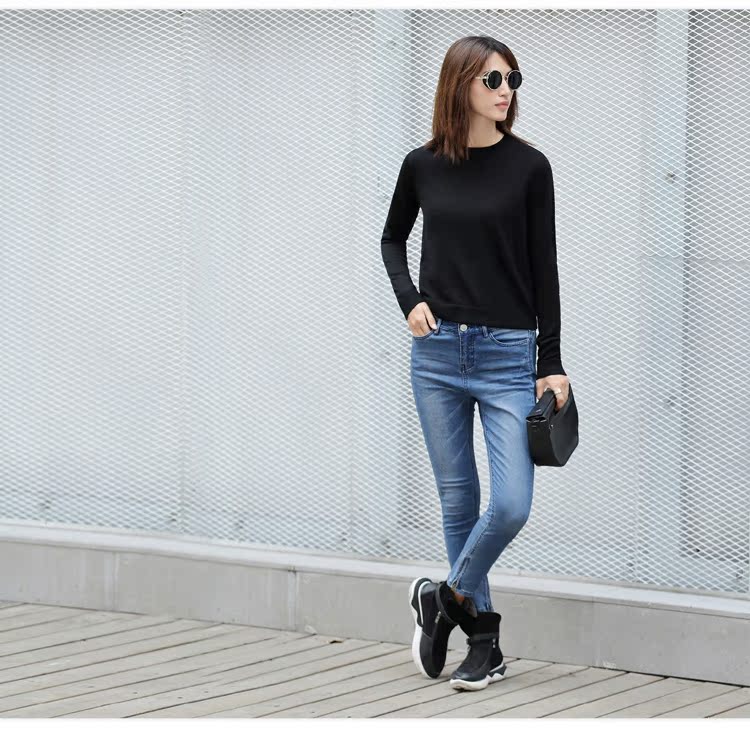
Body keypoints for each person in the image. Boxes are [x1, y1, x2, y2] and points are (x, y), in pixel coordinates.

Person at [380, 35, 571, 692]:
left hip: (507, 355)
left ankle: (443, 599)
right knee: (458, 500)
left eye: (512, 79)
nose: (505, 91)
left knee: (510, 504)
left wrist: (551, 361)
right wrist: (410, 300)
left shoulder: (530, 167)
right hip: (436, 356)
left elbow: (545, 268)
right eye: (493, 79)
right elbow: (392, 238)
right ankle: (484, 645)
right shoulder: (422, 164)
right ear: (459, 84)